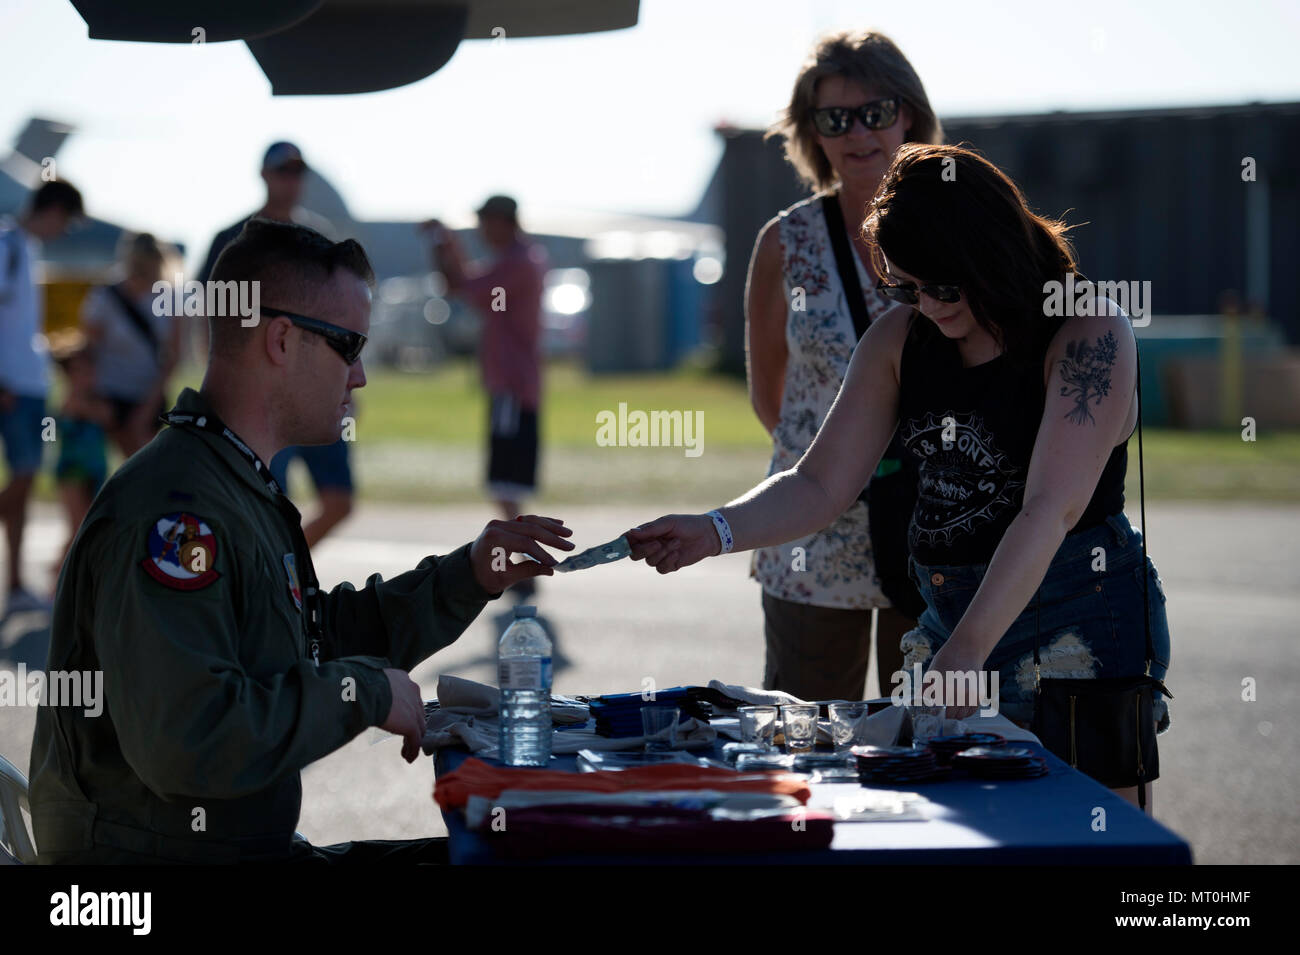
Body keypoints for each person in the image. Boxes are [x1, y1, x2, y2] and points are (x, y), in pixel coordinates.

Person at [626, 144, 1171, 811]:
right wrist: (713, 529)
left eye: (944, 285)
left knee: (1094, 833)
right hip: (951, 619)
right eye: (905, 287)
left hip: (1074, 620)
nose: (928, 306)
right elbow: (821, 483)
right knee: (966, 829)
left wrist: (966, 650)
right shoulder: (899, 338)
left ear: (990, 254)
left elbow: (1049, 509)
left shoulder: (1087, 331)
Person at [29, 219, 574, 863]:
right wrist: (365, 692)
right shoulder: (177, 512)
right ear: (282, 340)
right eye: (349, 346)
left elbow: (307, 640)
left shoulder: (227, 480)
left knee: (525, 851)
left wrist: (467, 577)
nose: (361, 376)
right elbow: (193, 740)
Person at [746, 30, 940, 703]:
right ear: (813, 133)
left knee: (923, 739)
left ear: (908, 114)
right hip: (811, 534)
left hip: (933, 526)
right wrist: (841, 469)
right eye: (836, 119)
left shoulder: (956, 229)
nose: (859, 133)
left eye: (876, 112)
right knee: (807, 741)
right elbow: (771, 395)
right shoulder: (785, 241)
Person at [198, 141, 353, 549]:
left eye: (298, 172)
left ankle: (285, 570)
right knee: (266, 499)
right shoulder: (233, 240)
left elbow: (342, 317)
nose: (292, 180)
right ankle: (271, 574)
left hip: (317, 384)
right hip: (259, 393)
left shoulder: (319, 238)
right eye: (283, 171)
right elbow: (212, 318)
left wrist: (347, 377)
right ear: (264, 175)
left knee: (339, 499)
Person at [423, 195, 547, 527]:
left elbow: (465, 287)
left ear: (504, 222)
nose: (481, 229)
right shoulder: (516, 260)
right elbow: (469, 283)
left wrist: (445, 243)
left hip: (513, 387)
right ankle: (525, 557)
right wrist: (447, 244)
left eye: (486, 221)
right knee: (506, 483)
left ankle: (528, 559)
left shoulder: (518, 263)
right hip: (513, 384)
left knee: (505, 483)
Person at [0, 179, 84, 615]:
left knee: (26, 482)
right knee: (26, 476)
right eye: (66, 222)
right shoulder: (8, 247)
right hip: (12, 389)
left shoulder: (25, 250)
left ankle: (14, 582)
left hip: (27, 386)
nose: (64, 232)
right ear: (52, 210)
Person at [80, 231, 181, 458]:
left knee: (142, 459)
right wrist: (95, 399)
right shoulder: (105, 296)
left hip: (149, 394)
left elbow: (173, 358)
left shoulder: (170, 299)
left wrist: (147, 409)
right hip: (108, 394)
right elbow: (89, 351)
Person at [47, 329, 113, 578]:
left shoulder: (99, 400)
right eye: (79, 371)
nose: (86, 377)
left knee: (89, 526)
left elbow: (109, 421)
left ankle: (62, 570)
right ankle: (58, 576)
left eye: (89, 370)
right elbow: (49, 435)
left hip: (96, 468)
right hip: (71, 470)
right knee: (78, 526)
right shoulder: (62, 403)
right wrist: (65, 417)